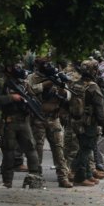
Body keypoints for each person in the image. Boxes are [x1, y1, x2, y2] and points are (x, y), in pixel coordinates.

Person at [0, 64, 43, 188]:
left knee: (31, 149)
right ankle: (7, 180)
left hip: (24, 121)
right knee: (9, 151)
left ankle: (34, 178)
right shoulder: (4, 84)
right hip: (10, 122)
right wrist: (11, 98)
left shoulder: (24, 84)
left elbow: (33, 99)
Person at [27, 58, 74, 188]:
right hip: (38, 118)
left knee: (59, 149)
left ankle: (63, 177)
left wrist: (61, 89)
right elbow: (30, 90)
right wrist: (46, 84)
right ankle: (35, 177)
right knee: (38, 148)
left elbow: (68, 95)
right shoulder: (32, 77)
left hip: (54, 118)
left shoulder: (57, 76)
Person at [68, 60, 104, 186]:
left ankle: (88, 174)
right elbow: (99, 109)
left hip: (75, 121)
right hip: (89, 123)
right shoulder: (93, 87)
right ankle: (79, 176)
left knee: (83, 147)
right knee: (85, 150)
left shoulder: (75, 84)